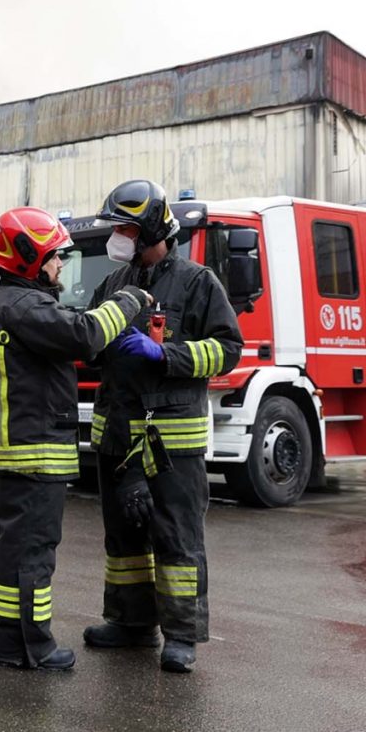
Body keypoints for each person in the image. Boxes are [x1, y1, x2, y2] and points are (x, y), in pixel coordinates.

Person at [0, 207, 152, 670]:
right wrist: (128, 301)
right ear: (30, 258)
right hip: (36, 455)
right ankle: (27, 645)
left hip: (5, 455)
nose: (60, 266)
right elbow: (85, 335)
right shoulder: (26, 307)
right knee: (31, 552)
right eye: (54, 257)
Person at [83, 179, 242, 673]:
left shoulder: (198, 282)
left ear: (151, 227)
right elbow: (90, 336)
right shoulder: (113, 284)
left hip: (171, 441)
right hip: (117, 434)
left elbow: (227, 350)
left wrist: (164, 353)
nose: (119, 238)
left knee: (176, 537)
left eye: (126, 228)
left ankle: (181, 635)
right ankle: (131, 624)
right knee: (123, 538)